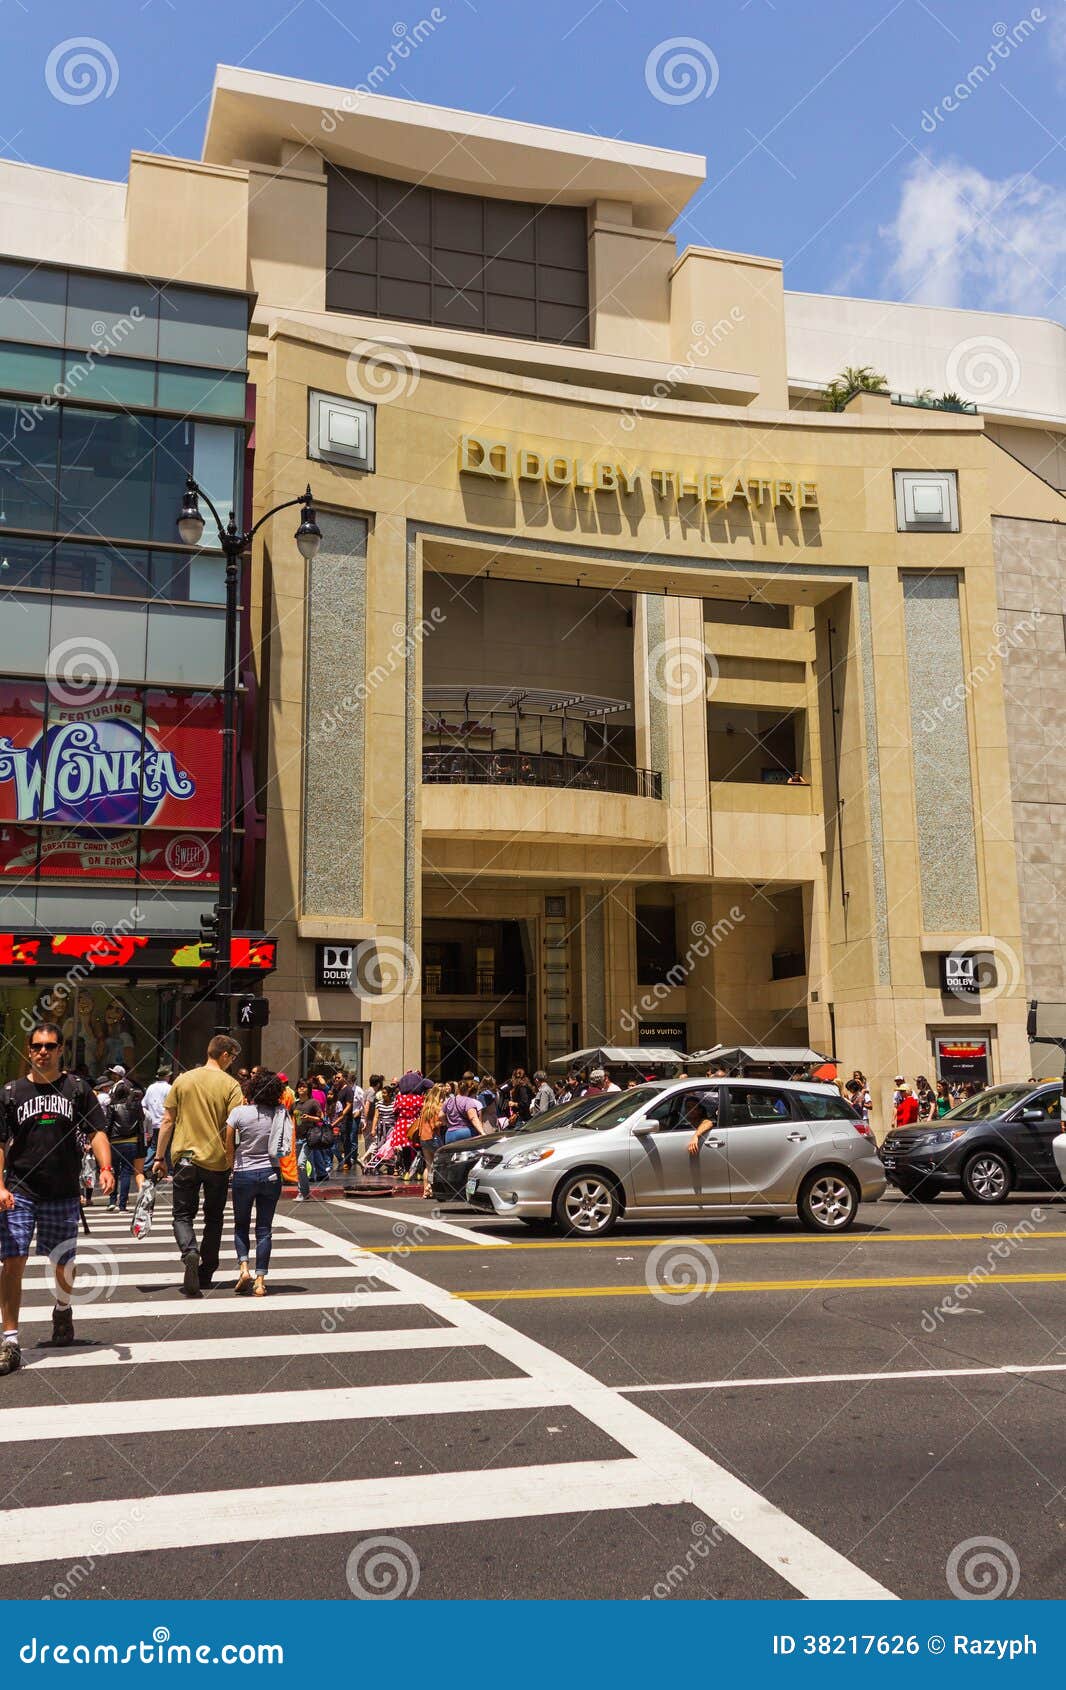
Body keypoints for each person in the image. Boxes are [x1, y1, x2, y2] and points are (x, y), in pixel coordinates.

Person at [0, 1023, 114, 1374]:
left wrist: (107, 1167)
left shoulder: (77, 1089)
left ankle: (62, 1309)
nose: (43, 1051)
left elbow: (96, 1130)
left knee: (62, 1263)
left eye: (50, 1045)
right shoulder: (11, 1092)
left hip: (63, 1191)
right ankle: (10, 1340)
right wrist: (0, 1186)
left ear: (61, 1049)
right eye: (37, 1046)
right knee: (12, 1261)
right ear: (28, 1050)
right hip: (20, 1189)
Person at [153, 1034, 243, 1298]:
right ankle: (206, 1270)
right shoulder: (232, 1085)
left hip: (185, 1160)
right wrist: (234, 1159)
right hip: (217, 1162)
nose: (232, 1063)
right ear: (224, 1055)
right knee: (214, 1218)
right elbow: (235, 1126)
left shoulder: (182, 1080)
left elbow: (167, 1121)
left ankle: (189, 1251)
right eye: (232, 1057)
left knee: (182, 1215)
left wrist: (159, 1158)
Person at [226, 1069, 293, 1297]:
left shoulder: (238, 1113)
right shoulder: (280, 1113)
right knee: (264, 1229)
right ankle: (261, 1282)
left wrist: (230, 1167)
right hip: (271, 1174)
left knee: (241, 1225)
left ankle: (244, 1268)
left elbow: (229, 1146)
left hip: (244, 1174)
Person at [104, 1068, 146, 1213]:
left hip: (114, 1141)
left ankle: (111, 1201)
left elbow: (108, 1124)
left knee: (114, 1171)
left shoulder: (112, 1106)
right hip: (132, 1140)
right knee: (126, 1173)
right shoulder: (135, 1106)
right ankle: (122, 1205)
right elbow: (142, 1120)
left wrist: (105, 1139)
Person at [291, 1079, 322, 1198]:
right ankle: (305, 1191)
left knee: (301, 1164)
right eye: (299, 1086)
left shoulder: (313, 1102)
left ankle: (302, 1192)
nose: (301, 1088)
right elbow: (288, 1117)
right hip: (298, 1138)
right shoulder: (295, 1104)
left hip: (309, 1138)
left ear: (308, 1089)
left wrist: (310, 1118)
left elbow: (320, 1118)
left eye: (304, 1086)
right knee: (299, 1167)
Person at [415, 1083, 446, 1198]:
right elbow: (436, 1124)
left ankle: (425, 1191)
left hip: (423, 1137)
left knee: (428, 1166)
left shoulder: (425, 1107)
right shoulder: (438, 1107)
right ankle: (431, 1188)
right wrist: (445, 1122)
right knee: (439, 1164)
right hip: (434, 1137)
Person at [142, 1064, 172, 1158]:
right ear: (167, 1076)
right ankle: (144, 1167)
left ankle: (161, 1170)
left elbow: (144, 1104)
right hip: (164, 1123)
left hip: (152, 1123)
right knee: (162, 1147)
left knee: (155, 1147)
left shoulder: (150, 1088)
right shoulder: (169, 1088)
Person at [443, 1078, 483, 1143]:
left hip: (450, 1134)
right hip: (466, 1133)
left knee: (452, 1153)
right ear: (468, 1089)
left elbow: (440, 1115)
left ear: (458, 1089)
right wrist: (482, 1132)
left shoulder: (449, 1100)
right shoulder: (468, 1101)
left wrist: (448, 1124)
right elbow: (473, 1118)